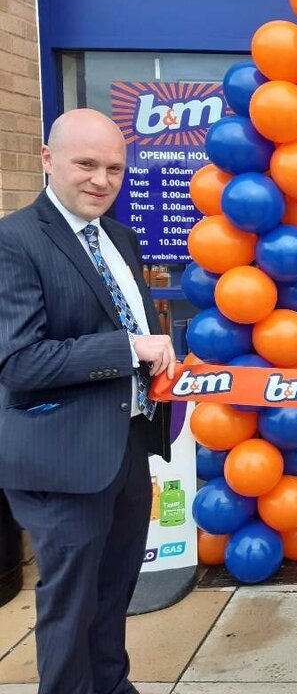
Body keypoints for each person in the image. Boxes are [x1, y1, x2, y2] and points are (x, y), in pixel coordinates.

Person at [0, 109, 176, 694]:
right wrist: (129, 346)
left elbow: (134, 329)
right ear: (48, 161)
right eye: (86, 164)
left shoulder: (119, 237)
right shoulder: (14, 241)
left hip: (126, 448)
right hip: (63, 459)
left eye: (114, 168)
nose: (102, 180)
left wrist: (160, 359)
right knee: (70, 609)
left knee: (112, 593)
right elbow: (19, 362)